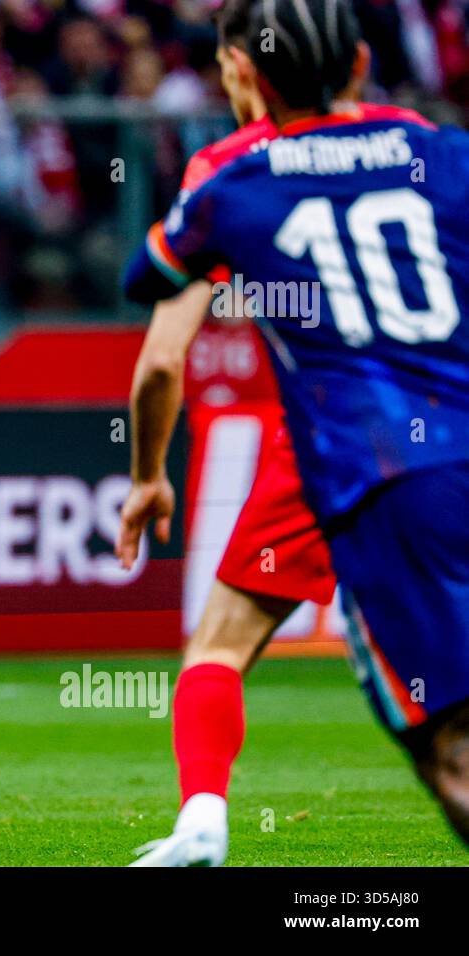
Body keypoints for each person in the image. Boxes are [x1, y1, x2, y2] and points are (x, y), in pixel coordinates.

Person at [122, 0, 469, 847]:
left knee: (224, 648)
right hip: (441, 429)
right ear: (356, 63)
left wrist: (147, 479)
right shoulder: (428, 141)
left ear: (240, 70)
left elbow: (162, 352)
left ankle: (202, 816)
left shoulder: (230, 174)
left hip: (348, 458)